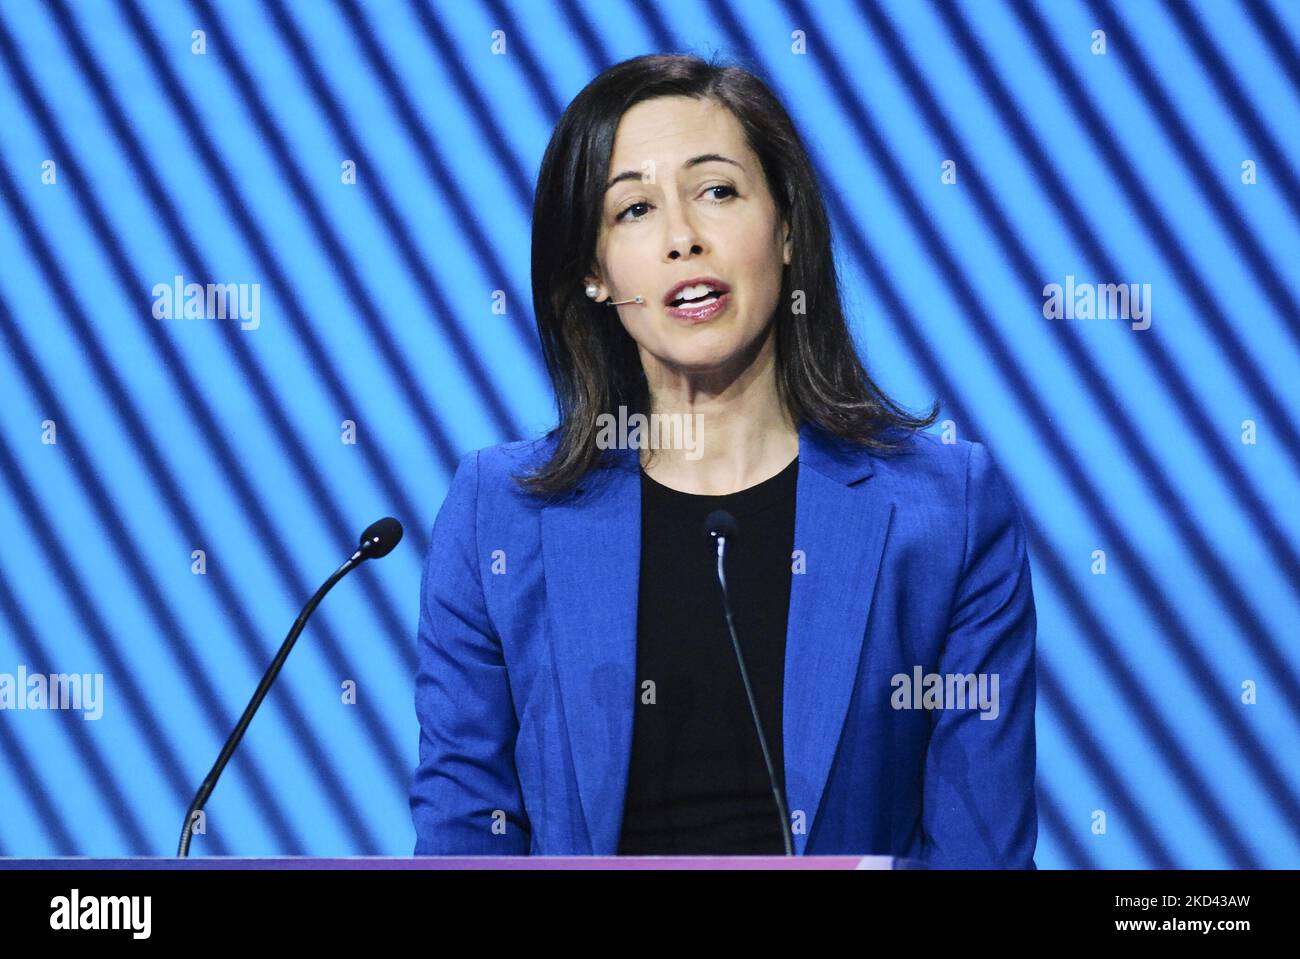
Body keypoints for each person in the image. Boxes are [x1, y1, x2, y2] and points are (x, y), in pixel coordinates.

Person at [410, 53, 1037, 867]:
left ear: (784, 229)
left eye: (717, 191)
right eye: (633, 209)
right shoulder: (501, 515)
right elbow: (463, 837)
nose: (683, 238)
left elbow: (979, 856)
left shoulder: (945, 510)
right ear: (595, 275)